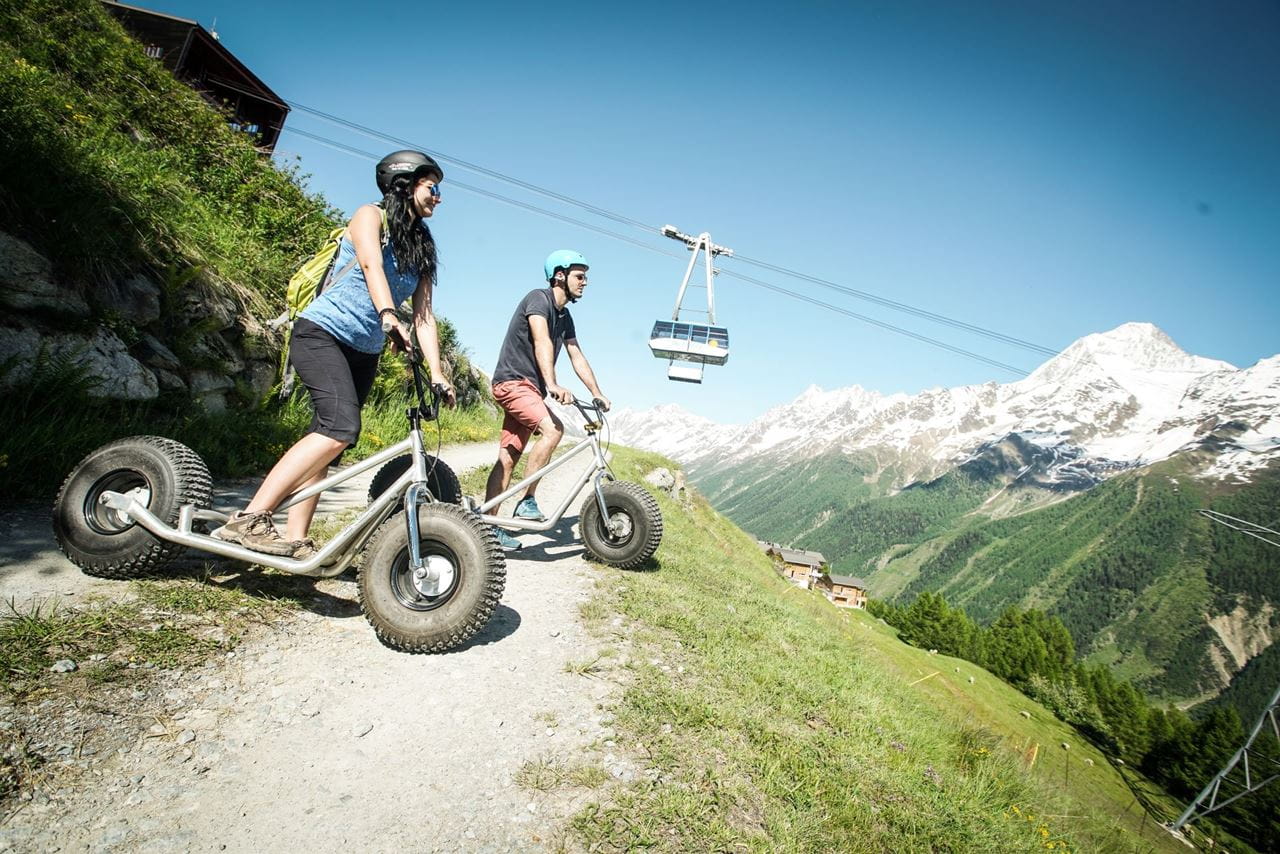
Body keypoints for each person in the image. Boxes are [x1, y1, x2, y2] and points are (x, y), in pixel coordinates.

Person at [214, 150, 456, 558]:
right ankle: (250, 519)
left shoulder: (423, 245)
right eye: (432, 188)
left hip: (363, 350)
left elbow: (425, 316)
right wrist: (386, 313)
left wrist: (437, 372)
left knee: (330, 437)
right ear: (405, 183)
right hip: (322, 332)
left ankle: (295, 537)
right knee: (339, 428)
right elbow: (369, 265)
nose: (438, 197)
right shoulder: (369, 216)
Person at [484, 250, 610, 550]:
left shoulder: (565, 317)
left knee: (508, 457)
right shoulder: (538, 299)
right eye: (579, 276)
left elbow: (576, 355)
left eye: (585, 277)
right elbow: (541, 340)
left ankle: (487, 527)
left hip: (528, 388)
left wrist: (596, 391)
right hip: (513, 382)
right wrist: (552, 383)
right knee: (553, 430)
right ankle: (527, 501)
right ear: (559, 275)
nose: (585, 282)